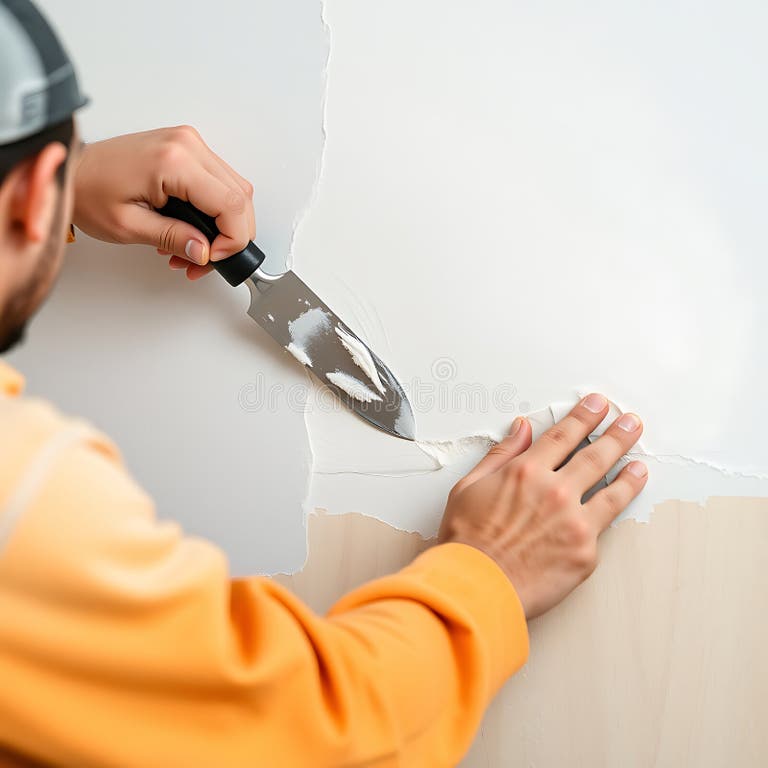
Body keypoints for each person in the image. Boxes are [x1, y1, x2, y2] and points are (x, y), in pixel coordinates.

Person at [0, 1, 648, 766]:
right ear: (38, 183)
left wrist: (58, 198)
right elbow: (304, 739)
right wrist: (492, 574)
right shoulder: (24, 496)